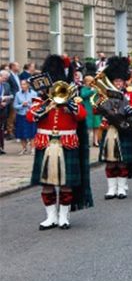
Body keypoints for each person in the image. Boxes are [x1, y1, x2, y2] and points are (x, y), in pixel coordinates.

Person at [28, 55, 92, 230]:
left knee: (66, 183)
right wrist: (46, 104)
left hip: (66, 141)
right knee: (47, 183)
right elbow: (30, 116)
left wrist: (69, 104)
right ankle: (51, 217)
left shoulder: (73, 98)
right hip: (46, 142)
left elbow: (81, 115)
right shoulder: (41, 98)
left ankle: (64, 216)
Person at [97, 56, 132, 200]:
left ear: (124, 82)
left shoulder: (129, 94)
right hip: (109, 129)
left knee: (122, 161)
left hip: (124, 129)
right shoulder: (104, 95)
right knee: (111, 161)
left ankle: (122, 188)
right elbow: (95, 110)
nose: (118, 84)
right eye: (116, 81)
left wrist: (126, 108)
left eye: (120, 81)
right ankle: (111, 188)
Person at [13, 79, 37, 154]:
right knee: (21, 133)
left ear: (28, 85)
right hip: (21, 115)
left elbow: (36, 105)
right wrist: (21, 105)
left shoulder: (33, 93)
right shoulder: (18, 94)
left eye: (24, 84)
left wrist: (29, 105)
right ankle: (24, 148)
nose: (22, 86)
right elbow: (15, 105)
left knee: (31, 133)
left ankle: (33, 148)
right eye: (21, 84)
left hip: (30, 115)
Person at [80, 75, 103, 147]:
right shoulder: (84, 89)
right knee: (88, 127)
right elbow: (83, 95)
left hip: (95, 109)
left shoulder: (96, 88)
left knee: (96, 126)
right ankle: (87, 141)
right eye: (89, 81)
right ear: (85, 82)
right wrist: (91, 91)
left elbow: (100, 96)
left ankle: (95, 141)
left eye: (92, 81)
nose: (91, 83)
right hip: (88, 109)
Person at [6, 62, 21, 138]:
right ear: (12, 67)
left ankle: (15, 131)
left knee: (18, 115)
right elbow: (8, 88)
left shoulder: (17, 75)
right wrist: (12, 96)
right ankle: (10, 132)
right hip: (13, 98)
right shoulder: (9, 76)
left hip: (19, 97)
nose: (19, 67)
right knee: (12, 115)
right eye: (17, 66)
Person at [0, 70, 11, 154]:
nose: (5, 80)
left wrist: (5, 103)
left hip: (3, 111)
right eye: (4, 78)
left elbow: (10, 96)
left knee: (1, 130)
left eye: (6, 78)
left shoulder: (7, 85)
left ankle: (1, 147)